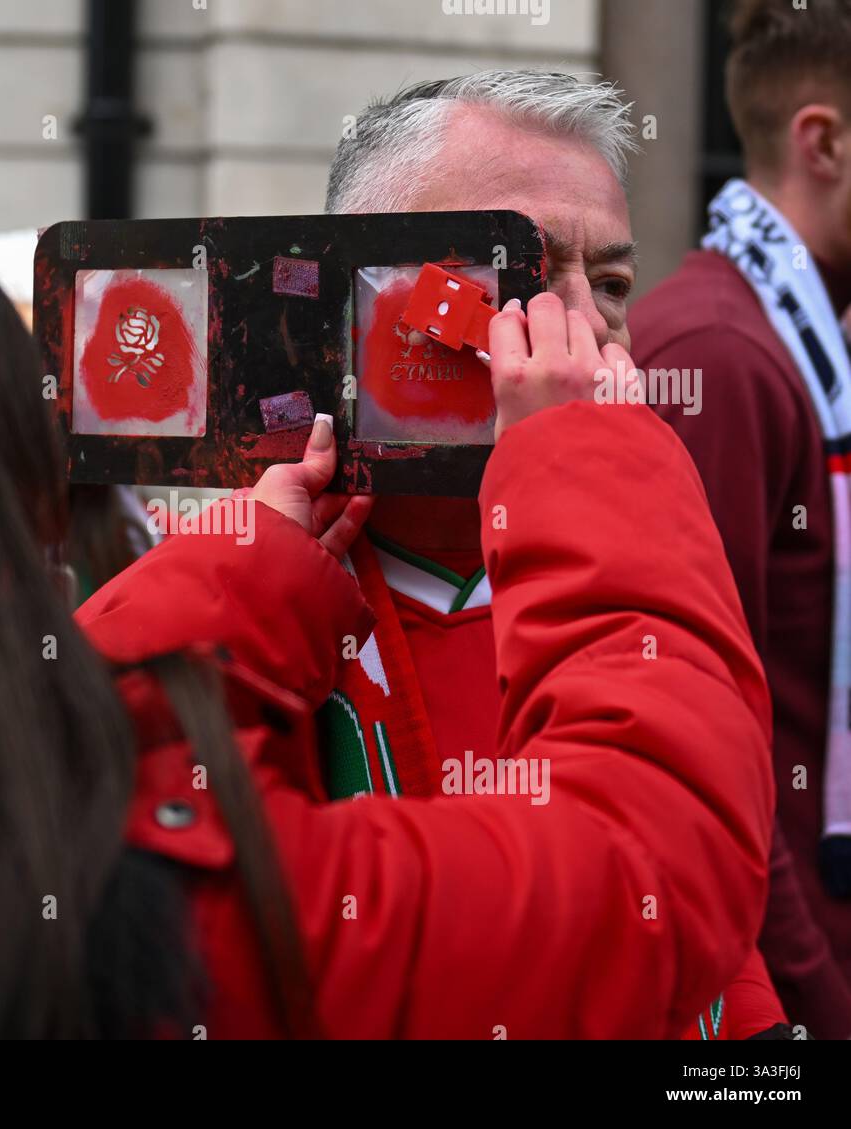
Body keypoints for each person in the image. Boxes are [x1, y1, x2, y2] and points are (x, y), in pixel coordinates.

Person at [0, 177, 767, 1038]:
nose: (570, 321)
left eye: (603, 280)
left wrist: (248, 571)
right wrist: (595, 464)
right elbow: (642, 875)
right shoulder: (159, 908)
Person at [322, 70, 788, 1038]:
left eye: (610, 284)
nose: (581, 327)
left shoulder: (654, 570)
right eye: (519, 279)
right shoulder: (246, 616)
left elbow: (720, 960)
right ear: (361, 296)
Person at [630, 0, 851, 1040]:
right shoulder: (718, 358)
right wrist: (815, 1006)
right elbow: (711, 751)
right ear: (825, 143)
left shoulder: (784, 344)